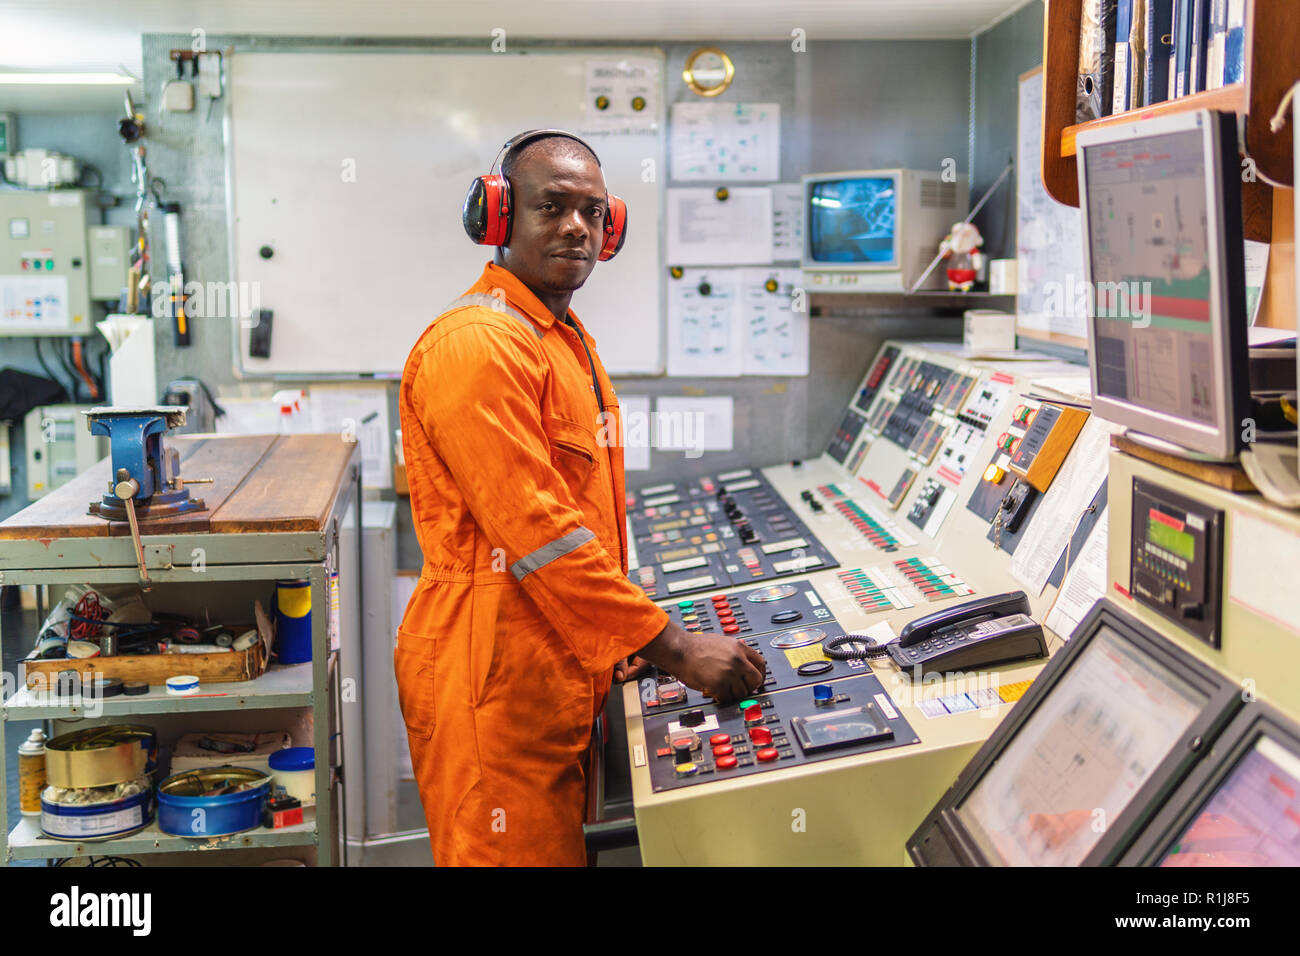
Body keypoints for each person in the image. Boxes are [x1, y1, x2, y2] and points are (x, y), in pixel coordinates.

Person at [396, 130, 765, 866]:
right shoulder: (479, 346)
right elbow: (538, 530)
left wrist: (618, 642)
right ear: (497, 218)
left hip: (552, 664)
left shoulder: (558, 338)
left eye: (593, 212)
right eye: (551, 206)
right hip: (492, 680)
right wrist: (674, 644)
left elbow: (579, 518)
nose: (576, 227)